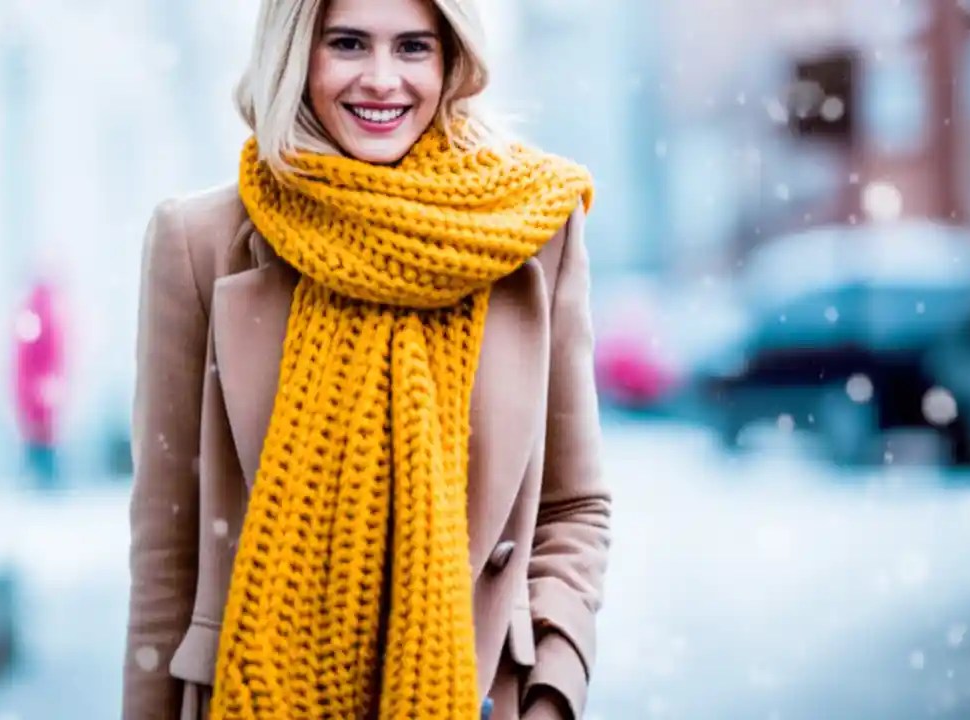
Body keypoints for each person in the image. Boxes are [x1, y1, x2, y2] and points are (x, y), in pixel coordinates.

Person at [122, 0, 612, 717]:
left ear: (451, 61)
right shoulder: (198, 243)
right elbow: (166, 548)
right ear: (296, 53)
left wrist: (551, 694)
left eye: (413, 48)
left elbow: (574, 507)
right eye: (348, 44)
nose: (383, 79)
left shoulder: (529, 235)